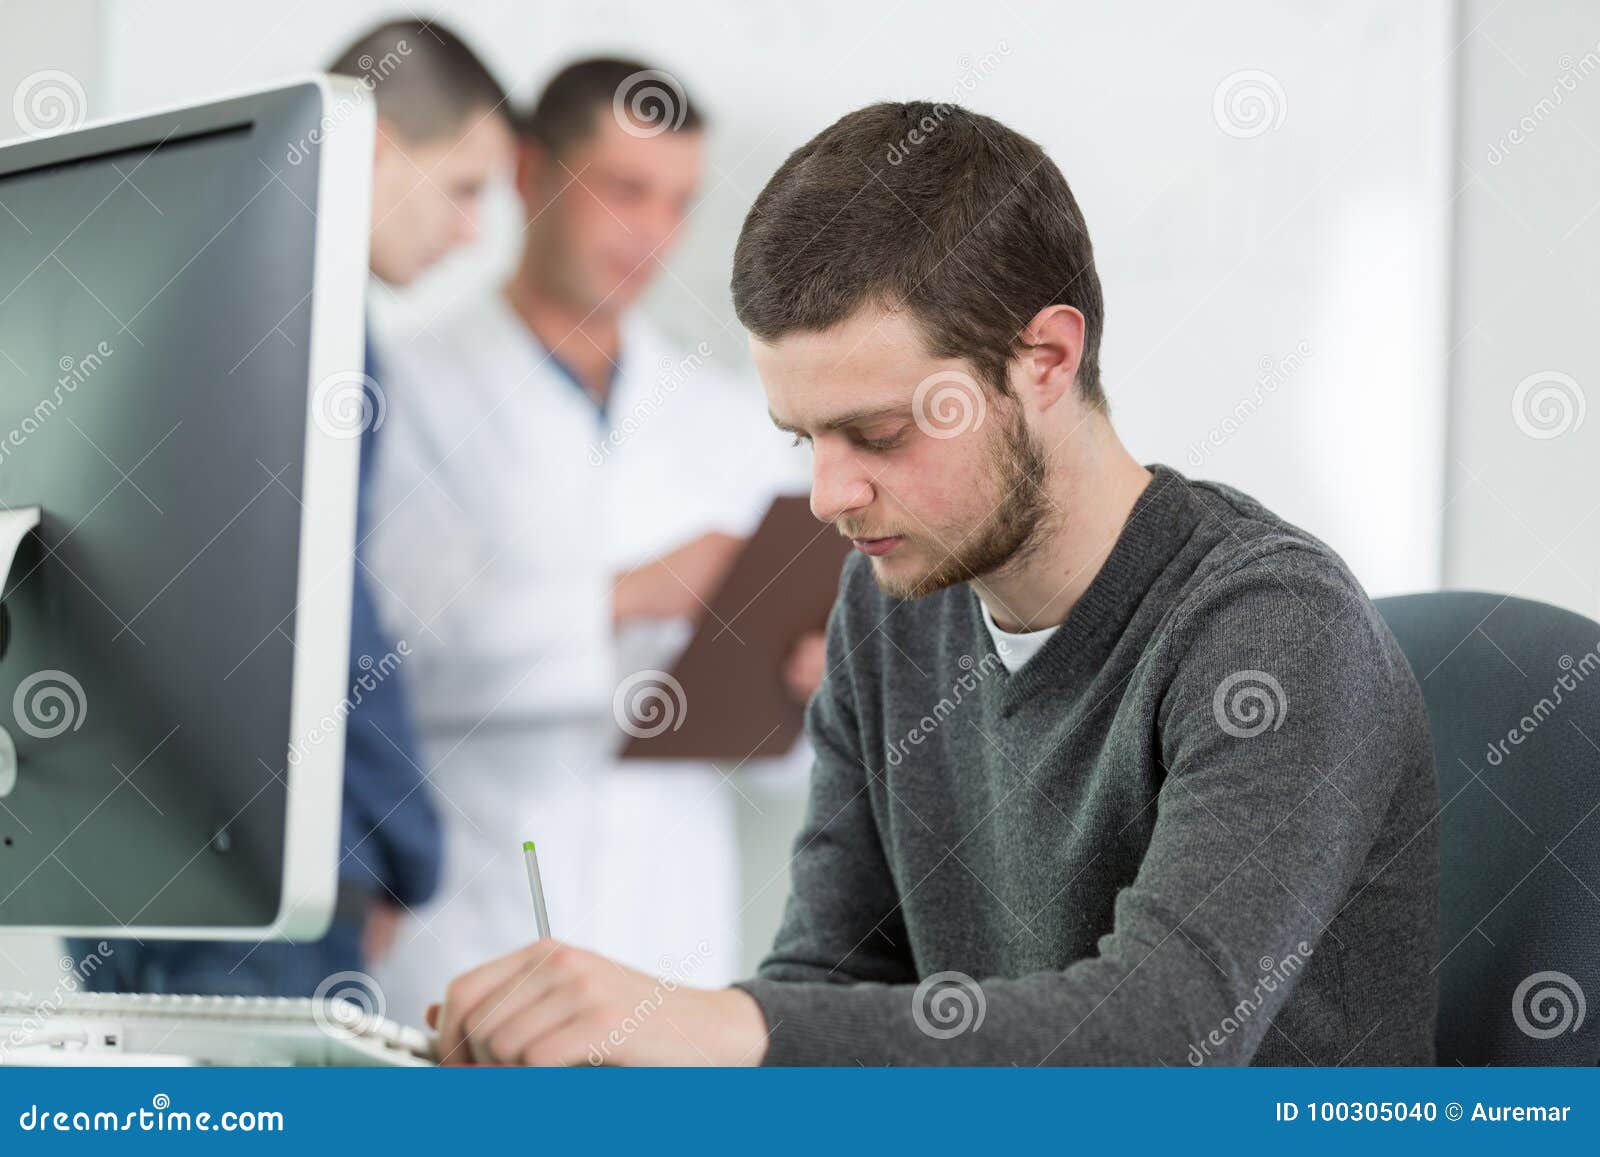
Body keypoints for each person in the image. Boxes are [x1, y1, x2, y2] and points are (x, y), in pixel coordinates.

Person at [425, 101, 1441, 1066]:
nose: (827, 494)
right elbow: (827, 975)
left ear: (1043, 358)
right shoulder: (889, 604)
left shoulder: (1271, 628)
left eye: (877, 434)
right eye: (803, 438)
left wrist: (726, 1029)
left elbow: (1158, 1039)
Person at [366, 59, 814, 1024]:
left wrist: (813, 677)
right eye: (623, 190)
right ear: (529, 173)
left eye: (678, 203)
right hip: (471, 931)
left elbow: (791, 760)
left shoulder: (735, 419)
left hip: (671, 945)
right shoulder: (398, 387)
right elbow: (388, 658)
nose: (651, 234)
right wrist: (637, 592)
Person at [71, 19, 513, 996]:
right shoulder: (312, 323)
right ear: (380, 144)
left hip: (132, 855)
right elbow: (314, 605)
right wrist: (406, 841)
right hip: (270, 879)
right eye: (466, 187)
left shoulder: (174, 281)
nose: (473, 231)